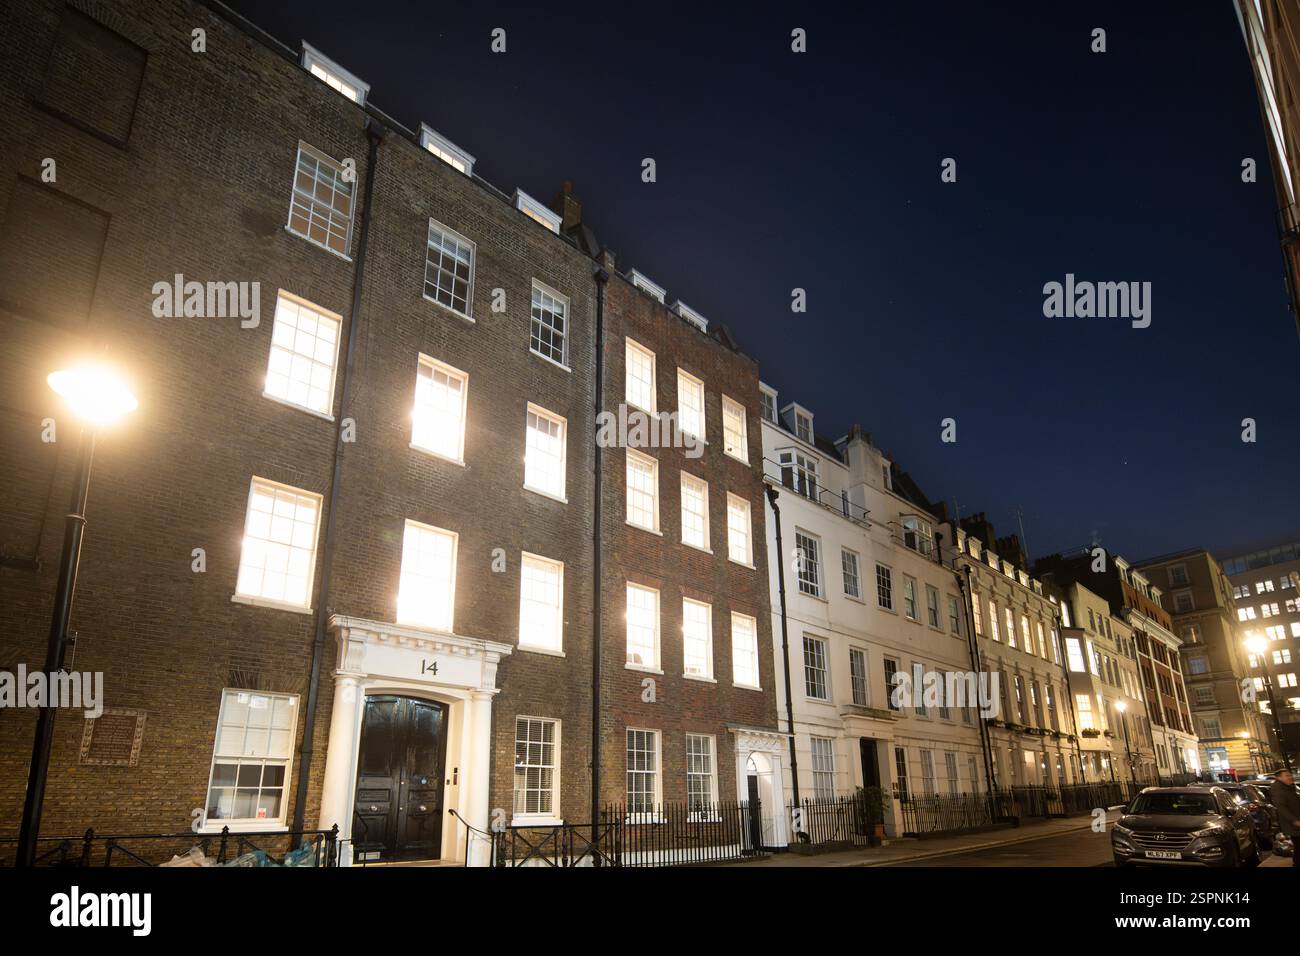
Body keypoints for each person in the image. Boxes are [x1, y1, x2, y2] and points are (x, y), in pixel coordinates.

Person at [1269, 768, 1300, 866]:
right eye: (1286, 776)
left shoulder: (1288, 787)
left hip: (1296, 821)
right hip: (1294, 823)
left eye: (1290, 775)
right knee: (1299, 846)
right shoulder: (1279, 789)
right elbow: (1281, 807)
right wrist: (1294, 820)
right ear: (1279, 778)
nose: (1290, 777)